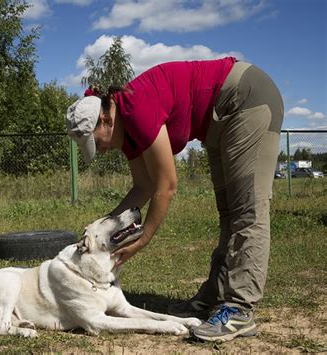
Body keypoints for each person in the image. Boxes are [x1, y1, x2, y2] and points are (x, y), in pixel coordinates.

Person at [66, 57, 284, 342]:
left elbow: (166, 186)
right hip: (217, 123)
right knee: (230, 213)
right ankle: (216, 295)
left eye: (98, 142)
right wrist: (101, 226)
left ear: (106, 119)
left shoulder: (135, 109)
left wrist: (140, 241)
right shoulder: (128, 134)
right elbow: (143, 188)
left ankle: (239, 309)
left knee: (247, 211)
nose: (102, 150)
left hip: (244, 97)